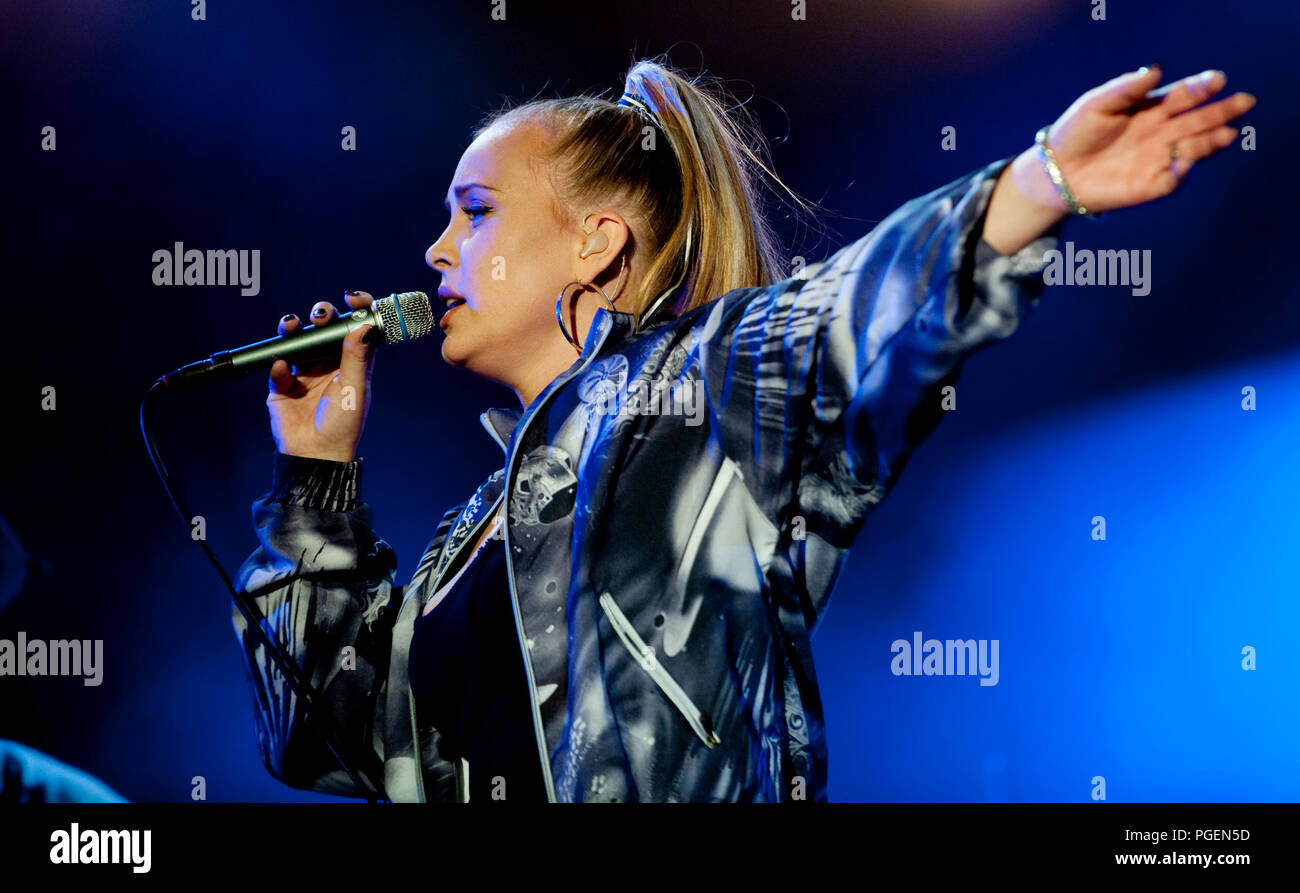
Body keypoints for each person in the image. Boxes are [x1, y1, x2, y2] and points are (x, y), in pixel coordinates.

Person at [231, 58, 1255, 802]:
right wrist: (315, 475)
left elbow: (847, 310)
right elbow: (328, 740)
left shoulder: (700, 387)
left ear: (597, 242)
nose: (436, 245)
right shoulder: (478, 528)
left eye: (476, 211)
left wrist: (1039, 182)